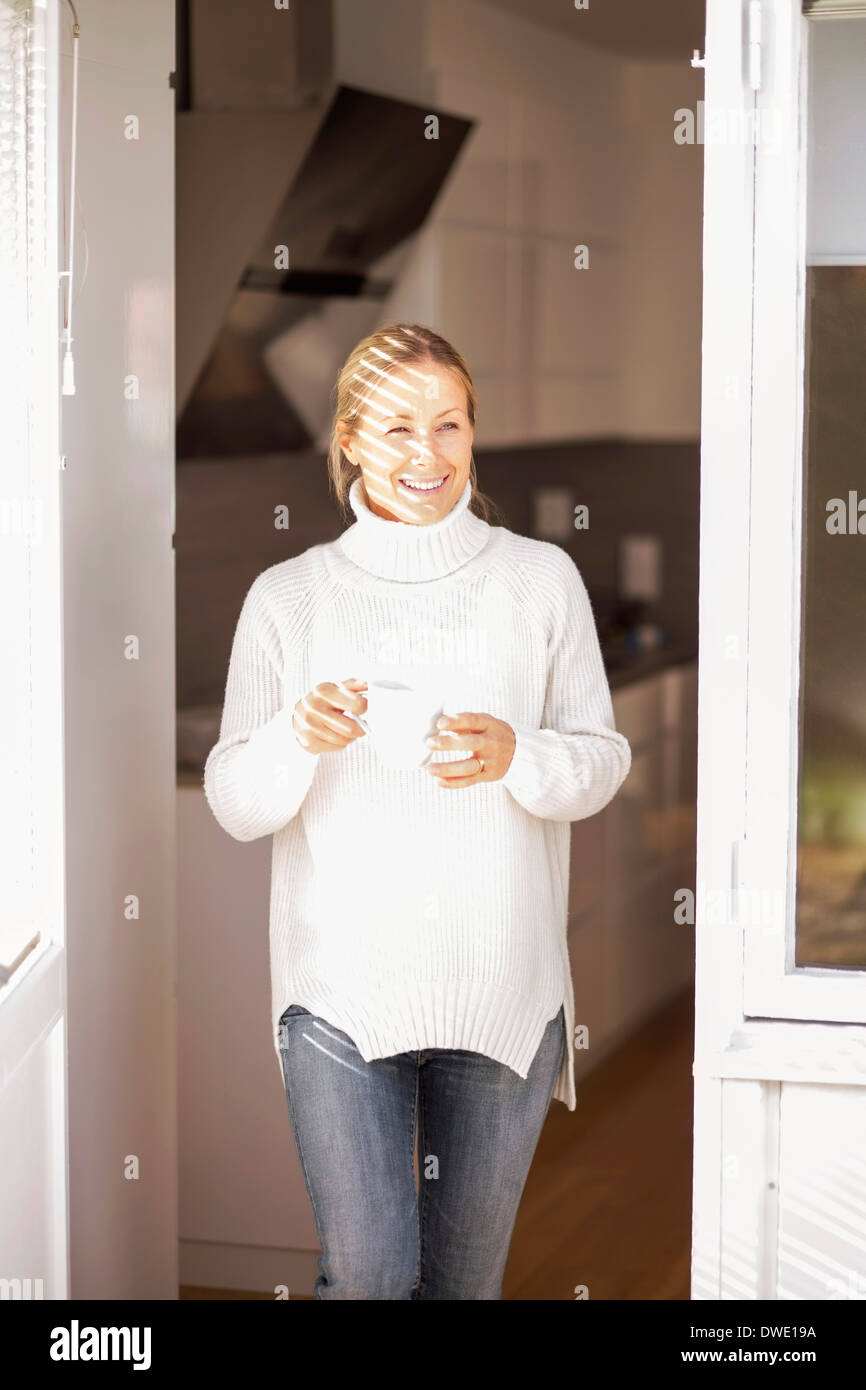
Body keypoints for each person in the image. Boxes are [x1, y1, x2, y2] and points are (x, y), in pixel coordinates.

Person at [204, 322, 631, 1300]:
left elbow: (601, 760)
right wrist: (293, 739)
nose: (424, 454)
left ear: (473, 434)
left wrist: (518, 753)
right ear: (349, 440)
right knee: (367, 1276)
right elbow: (234, 799)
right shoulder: (290, 598)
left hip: (501, 982)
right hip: (340, 995)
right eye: (396, 427)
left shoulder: (535, 581)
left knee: (461, 1284)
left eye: (447, 425)